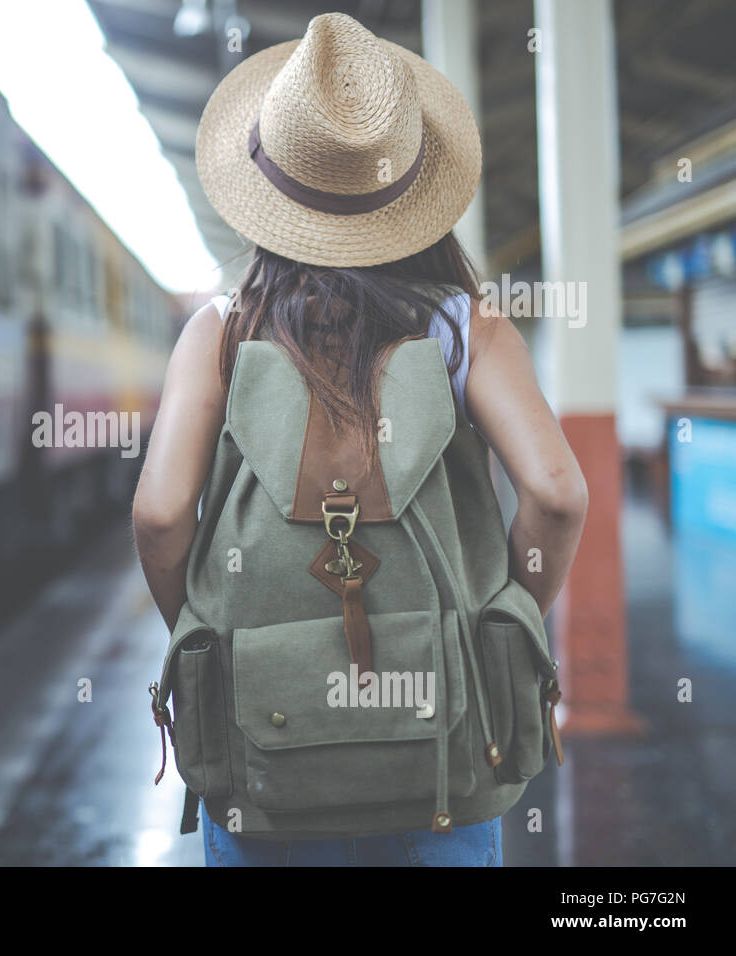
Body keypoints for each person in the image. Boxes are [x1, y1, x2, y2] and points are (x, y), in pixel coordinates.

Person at [132, 13, 588, 867]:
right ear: (415, 193)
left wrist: (214, 628)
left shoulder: (221, 335)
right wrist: (510, 614)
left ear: (268, 194)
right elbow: (559, 494)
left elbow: (160, 516)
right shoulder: (467, 329)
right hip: (445, 762)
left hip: (262, 769)